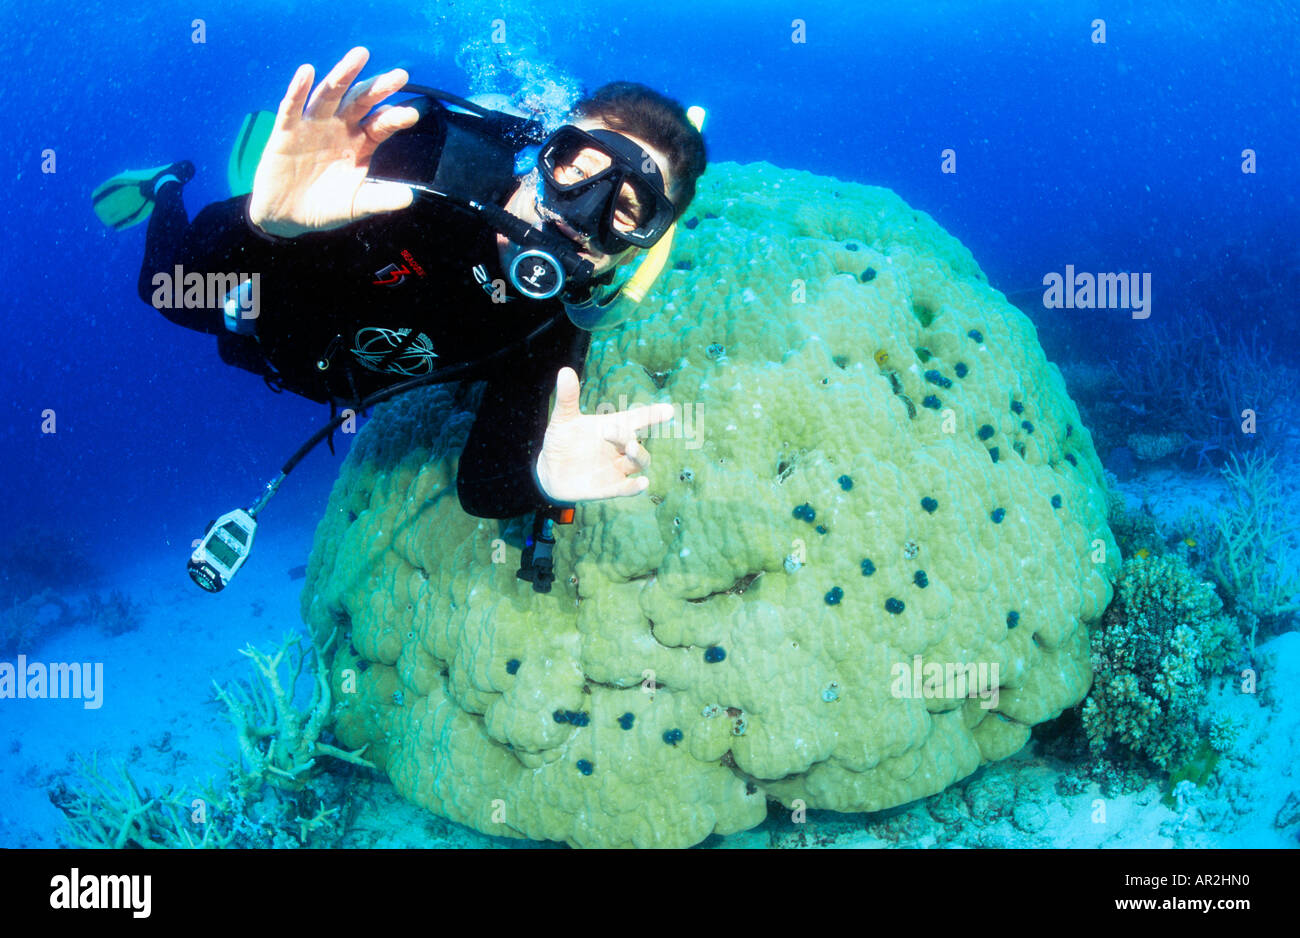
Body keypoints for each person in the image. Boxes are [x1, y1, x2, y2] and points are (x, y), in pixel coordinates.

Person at [103, 47, 707, 526]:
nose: (581, 214)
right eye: (578, 169)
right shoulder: (421, 173)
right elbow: (181, 281)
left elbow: (483, 483)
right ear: (543, 154)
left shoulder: (552, 327)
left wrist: (542, 479)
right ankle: (168, 185)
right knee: (162, 291)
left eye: (628, 210)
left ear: (643, 244)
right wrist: (266, 222)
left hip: (322, 368)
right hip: (266, 299)